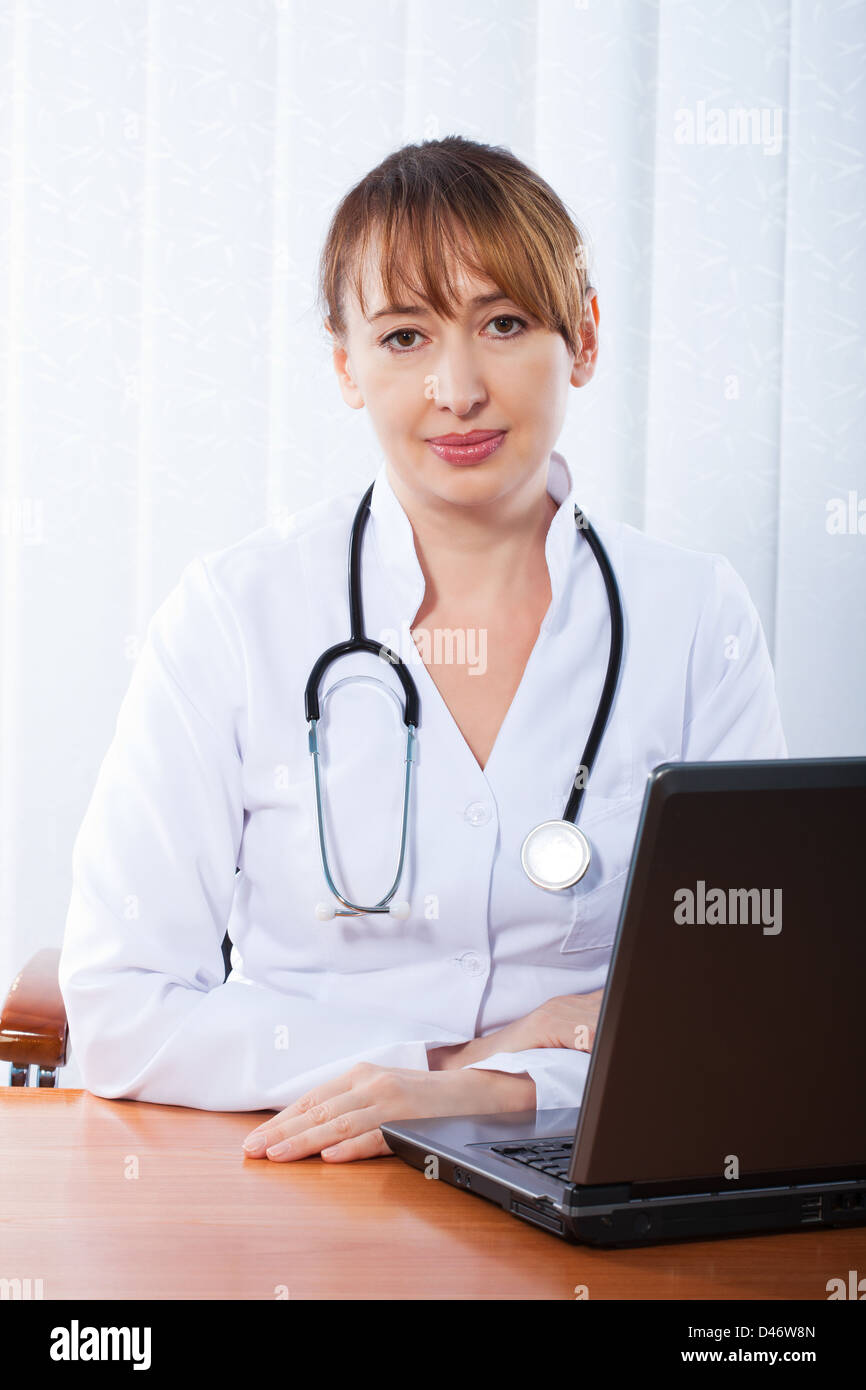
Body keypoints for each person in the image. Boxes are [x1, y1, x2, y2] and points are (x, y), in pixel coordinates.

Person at [59, 136, 787, 1165]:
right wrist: (456, 1061)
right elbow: (118, 1006)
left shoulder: (691, 616)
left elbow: (743, 990)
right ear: (345, 363)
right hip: (297, 1176)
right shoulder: (233, 614)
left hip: (590, 1175)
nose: (455, 387)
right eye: (403, 336)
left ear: (580, 339)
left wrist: (497, 1095)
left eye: (501, 323)